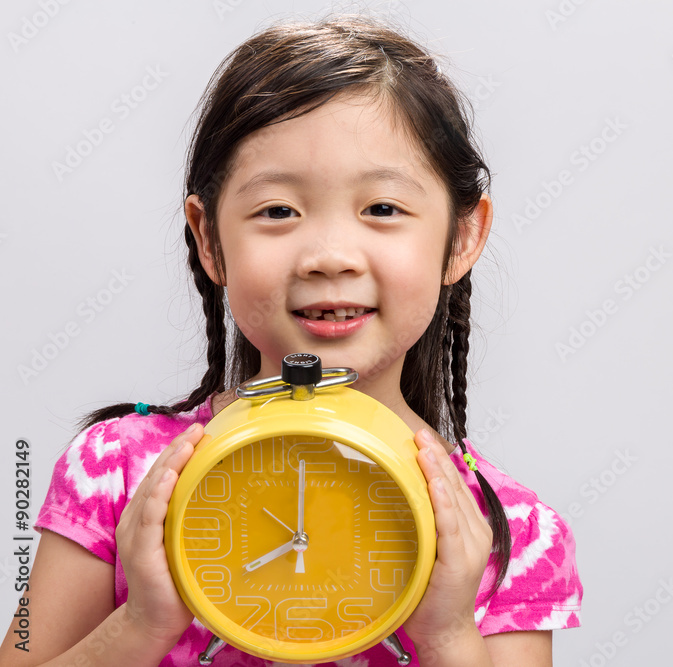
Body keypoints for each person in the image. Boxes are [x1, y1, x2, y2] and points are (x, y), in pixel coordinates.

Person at [0, 14, 582, 666]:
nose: (330, 255)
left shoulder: (512, 535)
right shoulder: (114, 472)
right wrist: (140, 624)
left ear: (464, 236)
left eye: (382, 209)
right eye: (278, 210)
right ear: (209, 238)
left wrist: (446, 636)